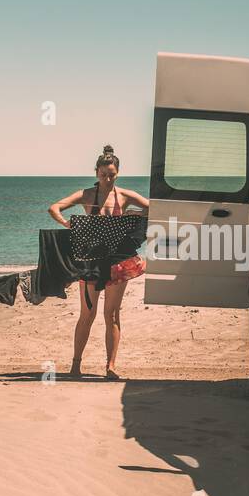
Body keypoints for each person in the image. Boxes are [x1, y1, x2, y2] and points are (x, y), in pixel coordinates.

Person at [47, 145, 149, 379]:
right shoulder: (86, 195)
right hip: (90, 261)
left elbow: (152, 208)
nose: (107, 178)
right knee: (87, 315)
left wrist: (133, 214)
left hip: (117, 262)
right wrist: (66, 223)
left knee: (112, 315)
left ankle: (110, 366)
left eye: (112, 174)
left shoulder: (123, 196)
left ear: (118, 173)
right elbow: (54, 207)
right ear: (96, 173)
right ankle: (75, 365)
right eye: (103, 174)